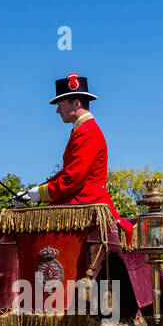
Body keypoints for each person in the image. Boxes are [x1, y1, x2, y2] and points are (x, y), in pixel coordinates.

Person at [14, 74, 133, 239]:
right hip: (81, 200)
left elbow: (72, 178)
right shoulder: (83, 130)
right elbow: (67, 173)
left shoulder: (86, 132)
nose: (57, 110)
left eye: (60, 104)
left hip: (85, 202)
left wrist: (40, 194)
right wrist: (33, 192)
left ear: (76, 103)